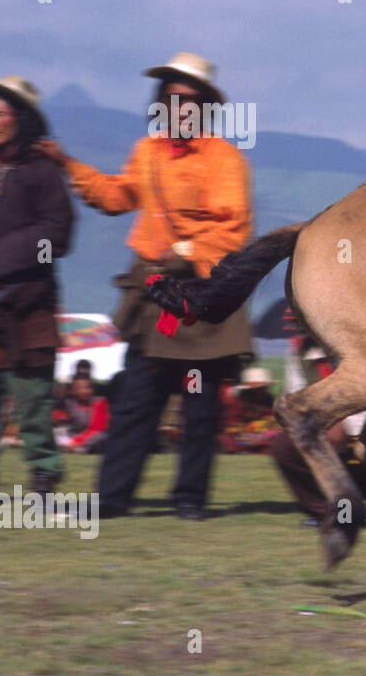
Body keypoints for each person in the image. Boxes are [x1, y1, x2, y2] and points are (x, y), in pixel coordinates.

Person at [37, 52, 254, 520]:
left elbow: (232, 229)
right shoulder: (147, 152)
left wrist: (184, 252)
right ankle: (112, 499)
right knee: (135, 401)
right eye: (173, 99)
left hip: (199, 297)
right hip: (154, 298)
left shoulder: (224, 159)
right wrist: (68, 164)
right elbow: (117, 197)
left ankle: (190, 499)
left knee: (199, 406)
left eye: (191, 100)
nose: (180, 108)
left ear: (206, 108)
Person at [0, 75, 75, 493]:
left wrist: (6, 258)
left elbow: (57, 234)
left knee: (31, 402)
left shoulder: (41, 172)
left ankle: (44, 475)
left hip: (29, 306)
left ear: (20, 118)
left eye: (0, 112)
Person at [217, 366, 279, 454]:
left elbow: (274, 422)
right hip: (239, 436)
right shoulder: (236, 402)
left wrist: (264, 435)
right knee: (227, 441)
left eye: (263, 388)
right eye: (258, 389)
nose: (261, 392)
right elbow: (231, 426)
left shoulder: (269, 400)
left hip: (263, 437)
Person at [54, 375, 110, 454]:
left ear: (93, 389)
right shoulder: (69, 403)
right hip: (74, 435)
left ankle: (78, 449)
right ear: (72, 390)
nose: (85, 391)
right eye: (80, 388)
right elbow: (57, 419)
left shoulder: (99, 402)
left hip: (94, 438)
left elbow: (98, 428)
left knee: (102, 437)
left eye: (88, 388)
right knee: (56, 435)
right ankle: (75, 448)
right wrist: (60, 419)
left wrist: (75, 443)